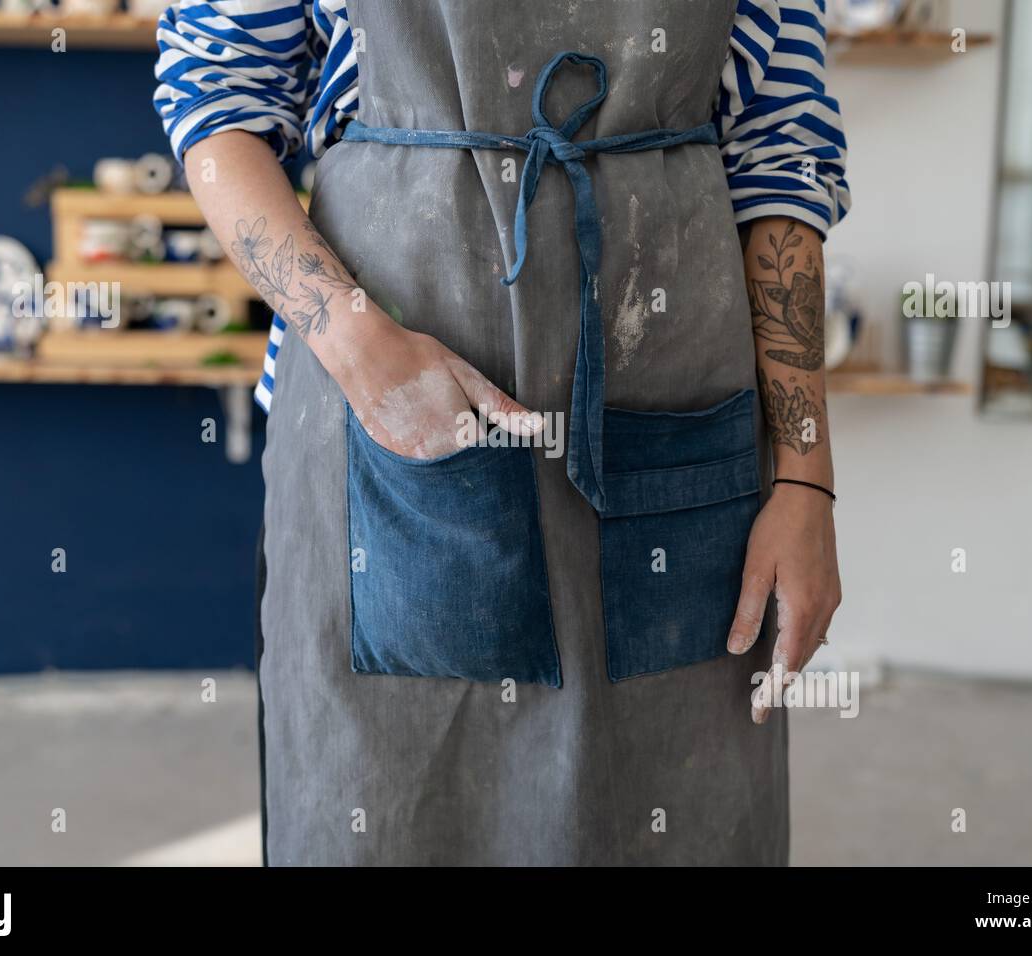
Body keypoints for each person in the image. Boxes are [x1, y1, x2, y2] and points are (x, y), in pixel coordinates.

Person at [155, 0, 849, 865]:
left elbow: (783, 156)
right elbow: (216, 100)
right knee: (387, 808)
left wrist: (806, 476)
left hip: (679, 416)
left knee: (673, 806)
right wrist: (356, 341)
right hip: (385, 404)